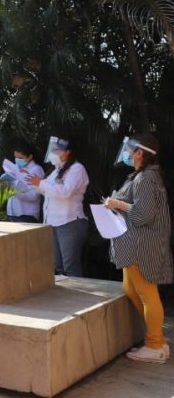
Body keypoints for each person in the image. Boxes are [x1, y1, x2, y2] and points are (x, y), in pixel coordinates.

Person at [104, 134, 173, 364]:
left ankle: (154, 344)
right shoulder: (143, 176)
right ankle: (157, 340)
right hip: (134, 245)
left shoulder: (146, 178)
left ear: (139, 153)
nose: (126, 153)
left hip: (141, 246)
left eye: (129, 149)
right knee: (131, 289)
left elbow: (143, 215)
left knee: (147, 294)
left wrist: (117, 204)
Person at [25, 136, 89, 277]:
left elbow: (65, 192)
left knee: (70, 266)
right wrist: (29, 181)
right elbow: (45, 190)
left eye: (56, 150)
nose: (53, 153)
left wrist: (40, 183)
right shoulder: (56, 170)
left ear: (67, 152)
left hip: (70, 222)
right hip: (52, 223)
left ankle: (76, 297)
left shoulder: (77, 169)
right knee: (57, 266)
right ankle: (64, 296)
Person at [6, 141, 44, 223]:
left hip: (27, 215)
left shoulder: (36, 170)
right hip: (13, 214)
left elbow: (34, 196)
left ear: (30, 156)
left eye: (20, 158)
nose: (17, 161)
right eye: (15, 158)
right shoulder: (15, 167)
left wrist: (14, 191)